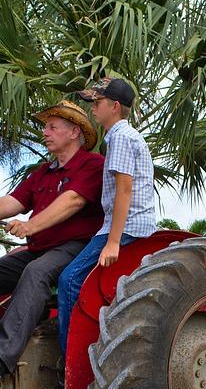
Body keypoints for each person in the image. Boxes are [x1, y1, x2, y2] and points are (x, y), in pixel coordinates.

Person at [0, 101, 104, 379]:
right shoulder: (43, 172)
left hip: (76, 247)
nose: (45, 132)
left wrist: (31, 225)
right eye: (45, 127)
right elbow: (11, 202)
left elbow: (72, 201)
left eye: (52, 127)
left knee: (36, 273)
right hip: (40, 248)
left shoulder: (92, 165)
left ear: (74, 132)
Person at [56, 77, 156, 350]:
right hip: (127, 225)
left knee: (69, 280)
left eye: (97, 102)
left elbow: (125, 190)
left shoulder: (122, 138)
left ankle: (69, 366)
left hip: (126, 228)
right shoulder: (122, 137)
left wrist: (113, 241)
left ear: (114, 106)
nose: (92, 108)